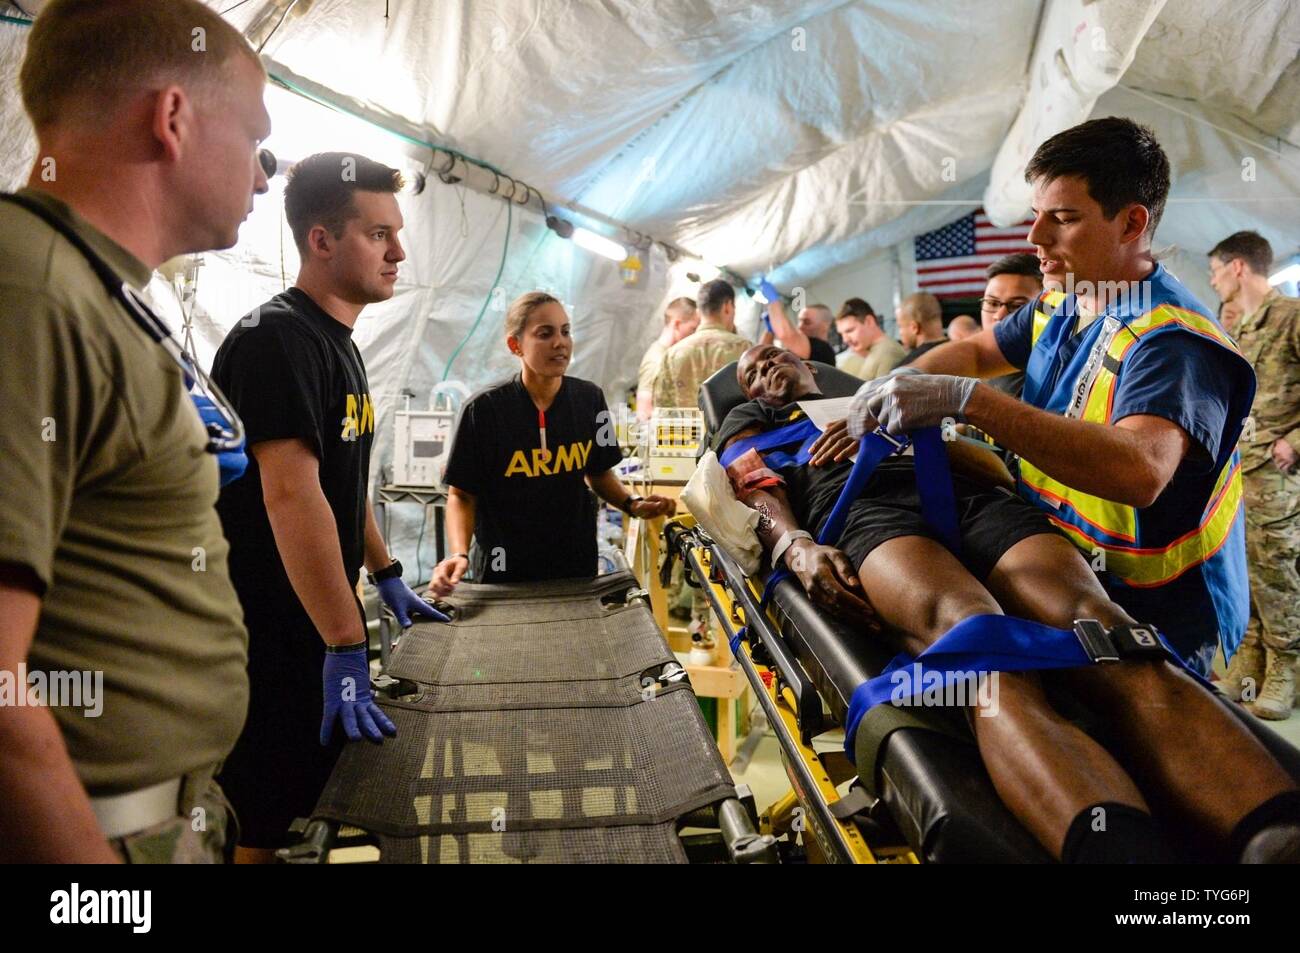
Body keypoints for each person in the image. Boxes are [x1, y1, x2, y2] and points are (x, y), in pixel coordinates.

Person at [721, 344, 1300, 862]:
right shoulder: (750, 420)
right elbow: (753, 487)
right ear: (747, 391)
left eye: (775, 355)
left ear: (807, 363)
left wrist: (930, 427)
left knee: (1101, 629)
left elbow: (994, 469)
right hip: (864, 514)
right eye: (752, 370)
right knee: (977, 642)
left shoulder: (876, 395)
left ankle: (1275, 839)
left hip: (973, 500)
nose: (766, 366)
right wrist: (797, 548)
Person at [0, 0, 269, 863]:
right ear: (174, 118)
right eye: (254, 139)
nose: (263, 177)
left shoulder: (89, 288)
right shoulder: (33, 294)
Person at [848, 117, 1254, 678]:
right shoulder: (1067, 302)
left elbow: (1138, 470)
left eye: (1063, 218)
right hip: (1072, 573)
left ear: (1131, 221)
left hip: (1163, 609)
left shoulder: (1172, 340)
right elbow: (971, 354)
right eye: (1036, 215)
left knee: (1164, 742)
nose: (1035, 237)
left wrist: (972, 402)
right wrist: (896, 386)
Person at [213, 153, 437, 862]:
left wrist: (388, 569)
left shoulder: (338, 345)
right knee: (260, 819)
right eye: (379, 233)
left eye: (397, 233)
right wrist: (346, 641)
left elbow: (341, 483)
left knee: (294, 818)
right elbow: (290, 494)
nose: (398, 250)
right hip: (268, 638)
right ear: (321, 240)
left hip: (311, 627)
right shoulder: (277, 340)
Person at [430, 292, 675, 595]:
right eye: (545, 334)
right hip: (504, 565)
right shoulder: (483, 410)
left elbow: (597, 472)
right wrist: (459, 553)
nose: (560, 342)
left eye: (565, 331)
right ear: (515, 345)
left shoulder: (590, 399)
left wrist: (632, 504)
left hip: (573, 561)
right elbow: (462, 495)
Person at [1209, 230, 1300, 720]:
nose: (1213, 280)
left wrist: (1295, 442)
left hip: (1280, 474)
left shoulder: (1292, 317)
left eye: (1215, 270)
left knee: (1277, 572)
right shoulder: (1242, 328)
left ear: (1238, 267)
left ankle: (1287, 667)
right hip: (1242, 471)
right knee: (1245, 567)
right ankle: (1252, 659)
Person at [653, 279, 752, 410]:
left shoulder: (672, 354)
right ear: (727, 307)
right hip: (732, 430)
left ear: (699, 312)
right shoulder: (745, 349)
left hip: (686, 430)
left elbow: (661, 410)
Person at [978, 253, 1043, 398]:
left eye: (1017, 306)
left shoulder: (1048, 375)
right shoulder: (971, 364)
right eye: (992, 303)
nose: (999, 316)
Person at [636, 296, 698, 420]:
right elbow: (644, 413)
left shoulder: (670, 357)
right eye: (693, 329)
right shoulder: (656, 360)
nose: (696, 335)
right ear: (677, 324)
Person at [757, 284, 837, 365]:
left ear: (824, 326)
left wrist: (773, 302)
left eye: (807, 322)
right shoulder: (797, 350)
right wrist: (770, 330)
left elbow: (785, 334)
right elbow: (760, 356)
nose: (800, 326)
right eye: (800, 321)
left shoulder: (824, 350)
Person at [834, 297, 905, 381]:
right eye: (842, 334)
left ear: (869, 321)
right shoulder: (877, 351)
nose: (845, 340)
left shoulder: (888, 352)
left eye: (850, 330)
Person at [896, 292, 948, 364]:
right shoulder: (963, 352)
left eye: (900, 326)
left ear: (914, 328)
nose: (900, 333)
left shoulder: (908, 368)